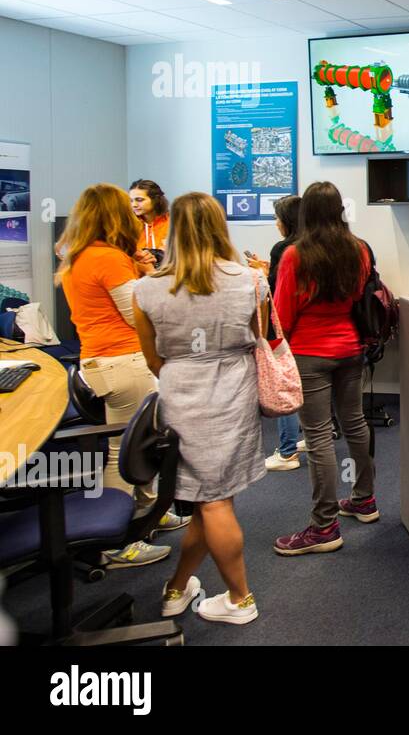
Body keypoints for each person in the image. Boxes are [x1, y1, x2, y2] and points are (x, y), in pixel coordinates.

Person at [134, 193, 265, 625]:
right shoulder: (249, 280)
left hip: (181, 393)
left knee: (209, 499)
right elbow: (257, 336)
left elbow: (153, 358)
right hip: (232, 393)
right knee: (214, 500)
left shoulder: (147, 288)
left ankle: (179, 588)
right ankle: (238, 598)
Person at [55, 184, 184, 569]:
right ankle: (117, 539)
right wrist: (148, 275)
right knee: (124, 453)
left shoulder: (79, 255)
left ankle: (148, 514)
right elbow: (136, 315)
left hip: (100, 360)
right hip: (123, 362)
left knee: (140, 445)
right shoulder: (109, 259)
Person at [272, 181, 378, 556]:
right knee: (355, 425)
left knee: (318, 438)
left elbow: (283, 313)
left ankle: (324, 527)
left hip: (309, 354)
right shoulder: (359, 249)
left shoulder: (295, 255)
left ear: (306, 214)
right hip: (350, 349)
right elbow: (355, 297)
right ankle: (364, 500)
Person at [247, 195, 305, 471]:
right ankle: (308, 439)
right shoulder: (315, 246)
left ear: (287, 221)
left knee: (284, 386)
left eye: (277, 217)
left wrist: (262, 274)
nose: (275, 222)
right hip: (318, 333)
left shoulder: (283, 248)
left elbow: (275, 290)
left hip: (288, 326)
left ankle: (287, 451)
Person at [129, 179, 169, 271]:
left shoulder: (172, 223)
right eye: (131, 201)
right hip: (136, 278)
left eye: (139, 200)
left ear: (156, 199)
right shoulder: (128, 226)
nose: (134, 205)